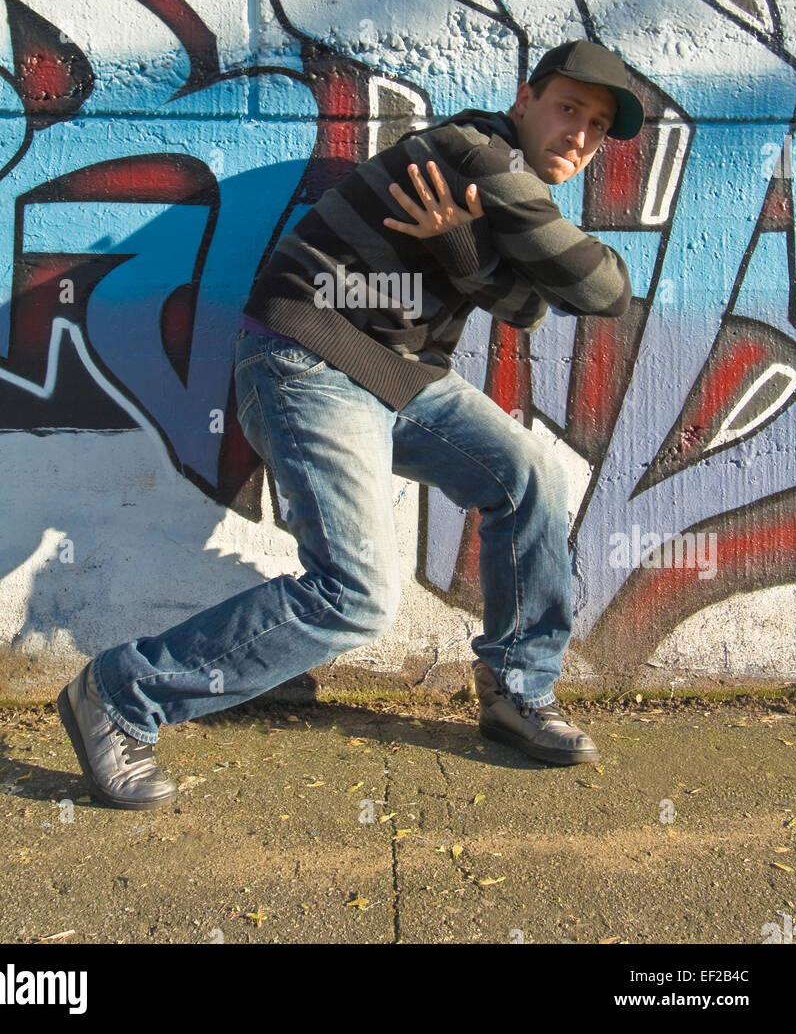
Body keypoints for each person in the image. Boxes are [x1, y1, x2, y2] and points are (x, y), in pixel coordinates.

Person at [58, 41, 645, 809]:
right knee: (356, 594)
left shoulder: (493, 178)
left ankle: (515, 690)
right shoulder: (473, 155)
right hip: (308, 364)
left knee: (526, 477)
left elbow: (525, 307)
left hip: (392, 377)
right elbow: (601, 289)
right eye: (569, 109)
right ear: (524, 98)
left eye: (597, 126)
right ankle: (121, 694)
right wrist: (487, 255)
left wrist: (461, 247)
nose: (579, 136)